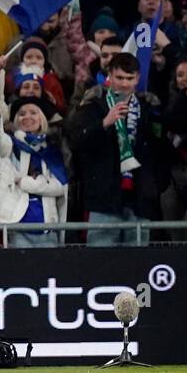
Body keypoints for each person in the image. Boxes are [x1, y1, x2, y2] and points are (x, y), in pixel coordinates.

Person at [66, 52, 166, 245]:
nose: (125, 83)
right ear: (110, 75)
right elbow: (77, 141)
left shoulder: (148, 107)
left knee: (137, 268)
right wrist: (104, 123)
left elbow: (159, 149)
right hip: (104, 198)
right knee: (101, 265)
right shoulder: (93, 105)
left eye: (130, 78)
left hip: (140, 199)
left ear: (138, 78)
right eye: (119, 77)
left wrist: (154, 185)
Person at [0, 94, 68, 247]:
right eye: (22, 114)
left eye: (33, 112)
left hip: (48, 230)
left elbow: (60, 187)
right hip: (17, 229)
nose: (27, 117)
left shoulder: (50, 150)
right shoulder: (10, 145)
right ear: (16, 120)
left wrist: (25, 183)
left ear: (42, 118)